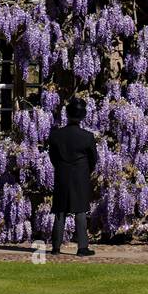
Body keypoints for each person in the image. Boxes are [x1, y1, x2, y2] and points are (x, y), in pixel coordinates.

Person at [48, 96, 98, 256]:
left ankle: (56, 247)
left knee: (60, 211)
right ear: (82, 116)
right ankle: (82, 247)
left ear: (67, 115)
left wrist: (62, 167)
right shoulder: (87, 137)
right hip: (80, 176)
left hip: (62, 175)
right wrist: (84, 170)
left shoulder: (56, 135)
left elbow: (52, 157)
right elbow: (93, 159)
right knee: (81, 211)